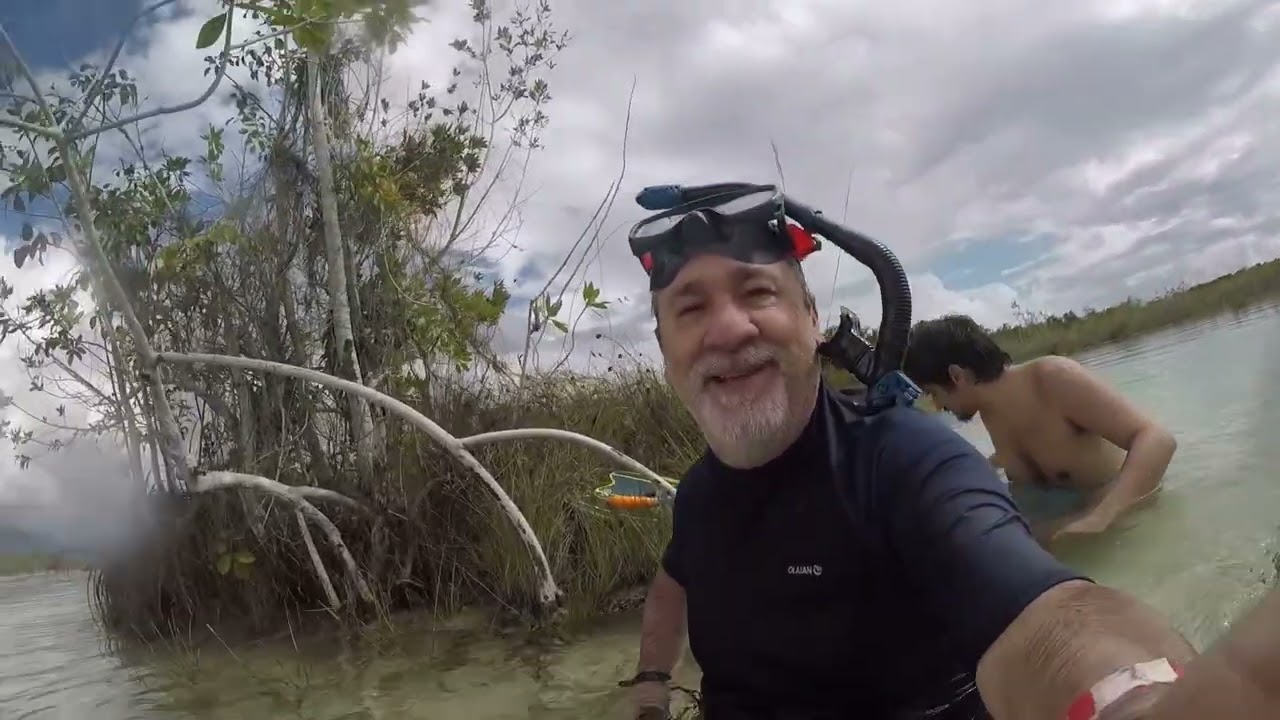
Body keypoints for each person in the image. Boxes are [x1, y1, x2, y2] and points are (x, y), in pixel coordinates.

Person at [620, 186, 1227, 720]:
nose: (728, 329)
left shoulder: (904, 460)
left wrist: (1135, 700)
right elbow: (676, 579)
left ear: (811, 321)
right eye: (691, 308)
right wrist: (651, 686)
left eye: (757, 292)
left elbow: (1047, 617)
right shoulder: (699, 493)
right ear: (665, 349)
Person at [902, 315, 1178, 546]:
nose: (937, 405)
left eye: (933, 393)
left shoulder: (1053, 378)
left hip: (1129, 525)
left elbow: (1157, 440)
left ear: (957, 376)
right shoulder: (991, 411)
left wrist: (1102, 516)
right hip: (1063, 531)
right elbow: (1036, 459)